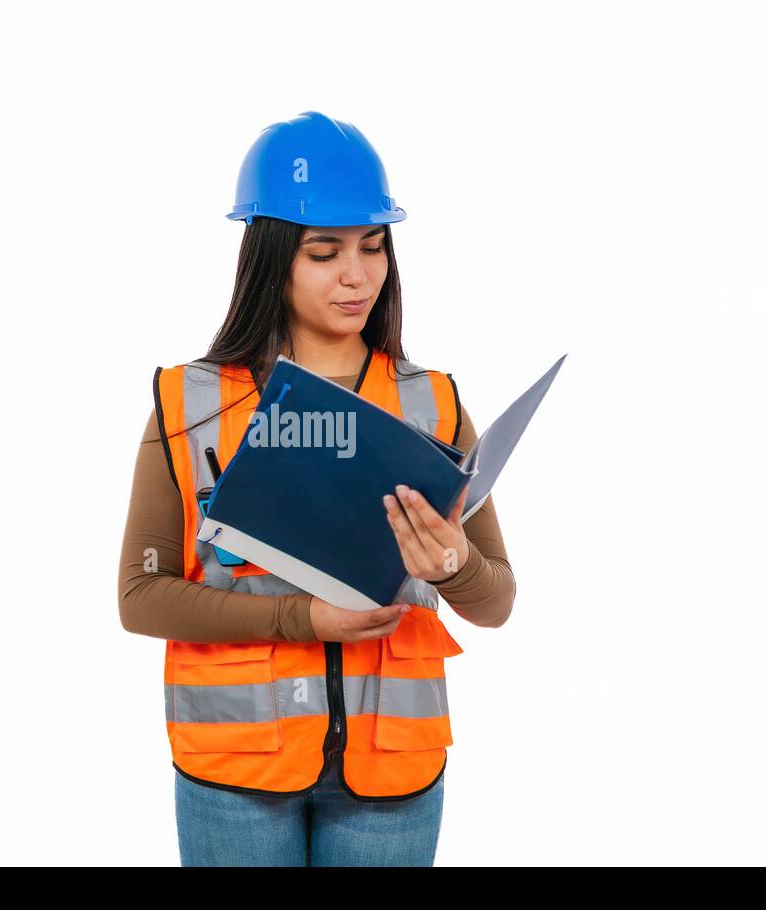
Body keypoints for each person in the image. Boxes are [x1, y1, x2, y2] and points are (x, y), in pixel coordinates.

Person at [117, 110, 516, 866]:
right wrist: (304, 619)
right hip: (235, 770)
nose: (357, 274)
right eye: (324, 252)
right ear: (272, 260)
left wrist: (452, 565)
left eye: (373, 247)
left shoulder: (431, 404)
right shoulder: (190, 403)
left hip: (390, 770)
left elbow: (496, 600)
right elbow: (141, 598)